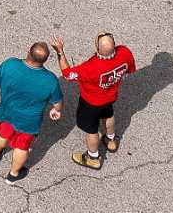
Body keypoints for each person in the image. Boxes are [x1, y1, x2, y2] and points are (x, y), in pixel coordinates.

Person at [54, 32, 137, 168]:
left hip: (90, 104)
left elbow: (67, 74)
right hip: (110, 97)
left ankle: (93, 157)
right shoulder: (125, 53)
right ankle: (111, 140)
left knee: (91, 130)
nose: (101, 32)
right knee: (108, 115)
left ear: (97, 49)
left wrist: (60, 52)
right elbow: (129, 70)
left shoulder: (90, 68)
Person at [0, 42, 63, 184]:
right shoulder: (51, 80)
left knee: (1, 134)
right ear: (45, 60)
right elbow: (57, 103)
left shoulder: (10, 64)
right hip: (29, 122)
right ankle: (13, 175)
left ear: (28, 52)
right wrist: (56, 110)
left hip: (6, 112)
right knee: (22, 147)